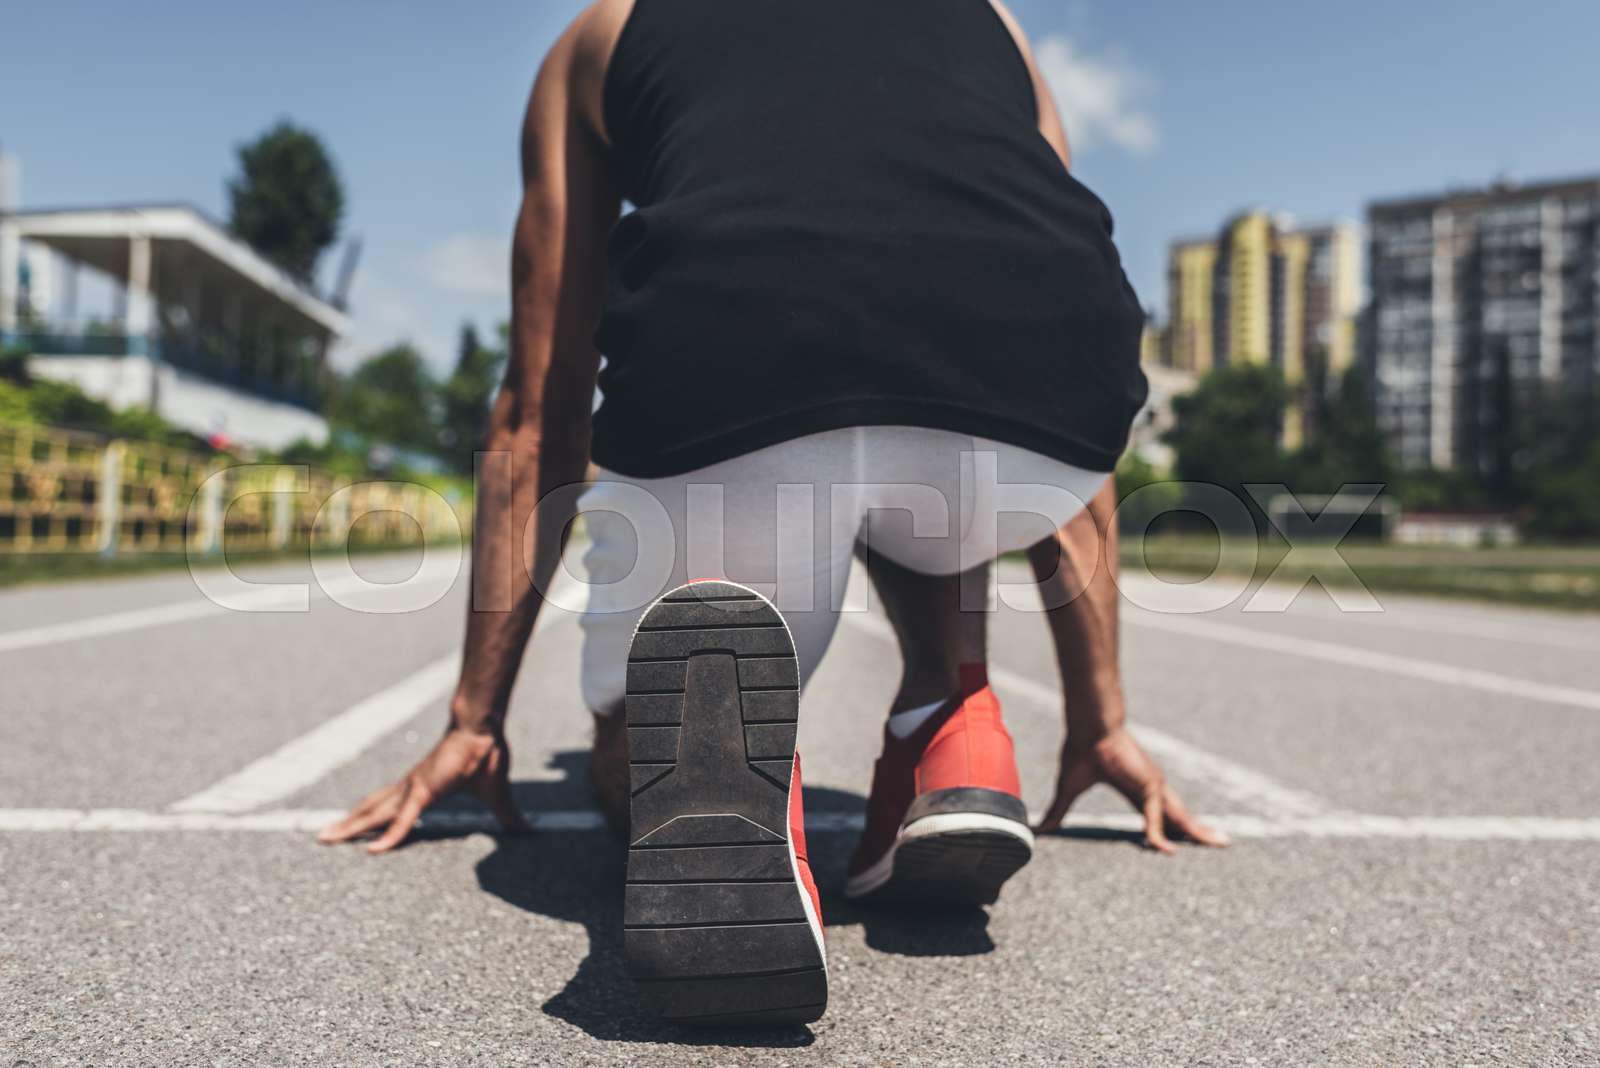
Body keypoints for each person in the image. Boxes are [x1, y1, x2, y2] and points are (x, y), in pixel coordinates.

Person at [320, 0, 1224, 1026]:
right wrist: (1100, 717)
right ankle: (954, 727)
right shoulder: (1000, 24)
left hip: (735, 357)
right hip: (1042, 405)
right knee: (934, 406)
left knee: (648, 734)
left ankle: (726, 777)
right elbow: (1020, 300)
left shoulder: (597, 35)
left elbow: (541, 405)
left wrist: (473, 722)